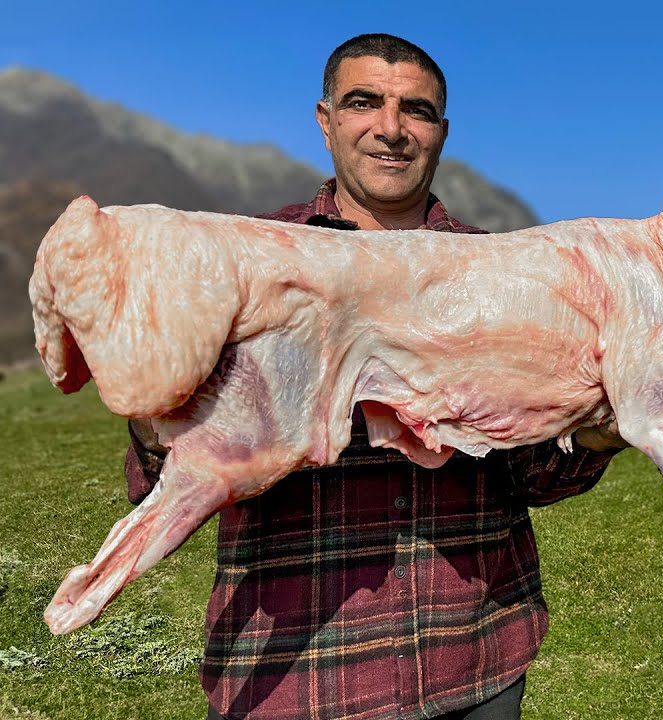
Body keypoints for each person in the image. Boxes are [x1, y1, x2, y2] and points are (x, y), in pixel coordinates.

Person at [124, 33, 627, 720]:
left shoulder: (508, 275)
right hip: (294, 676)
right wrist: (157, 411)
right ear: (326, 119)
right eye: (365, 102)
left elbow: (532, 474)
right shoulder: (244, 264)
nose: (391, 129)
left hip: (474, 661)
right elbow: (156, 480)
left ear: (442, 132)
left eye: (416, 110)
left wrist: (596, 435)